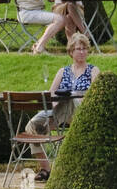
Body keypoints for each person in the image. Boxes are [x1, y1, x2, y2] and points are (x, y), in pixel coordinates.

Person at [26, 32, 100, 180]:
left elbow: (95, 97)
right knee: (31, 126)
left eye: (84, 48)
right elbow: (50, 97)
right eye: (78, 49)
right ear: (71, 52)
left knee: (70, 99)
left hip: (81, 113)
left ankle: (46, 125)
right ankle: (45, 168)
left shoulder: (93, 71)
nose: (82, 52)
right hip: (59, 115)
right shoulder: (63, 72)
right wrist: (52, 107)